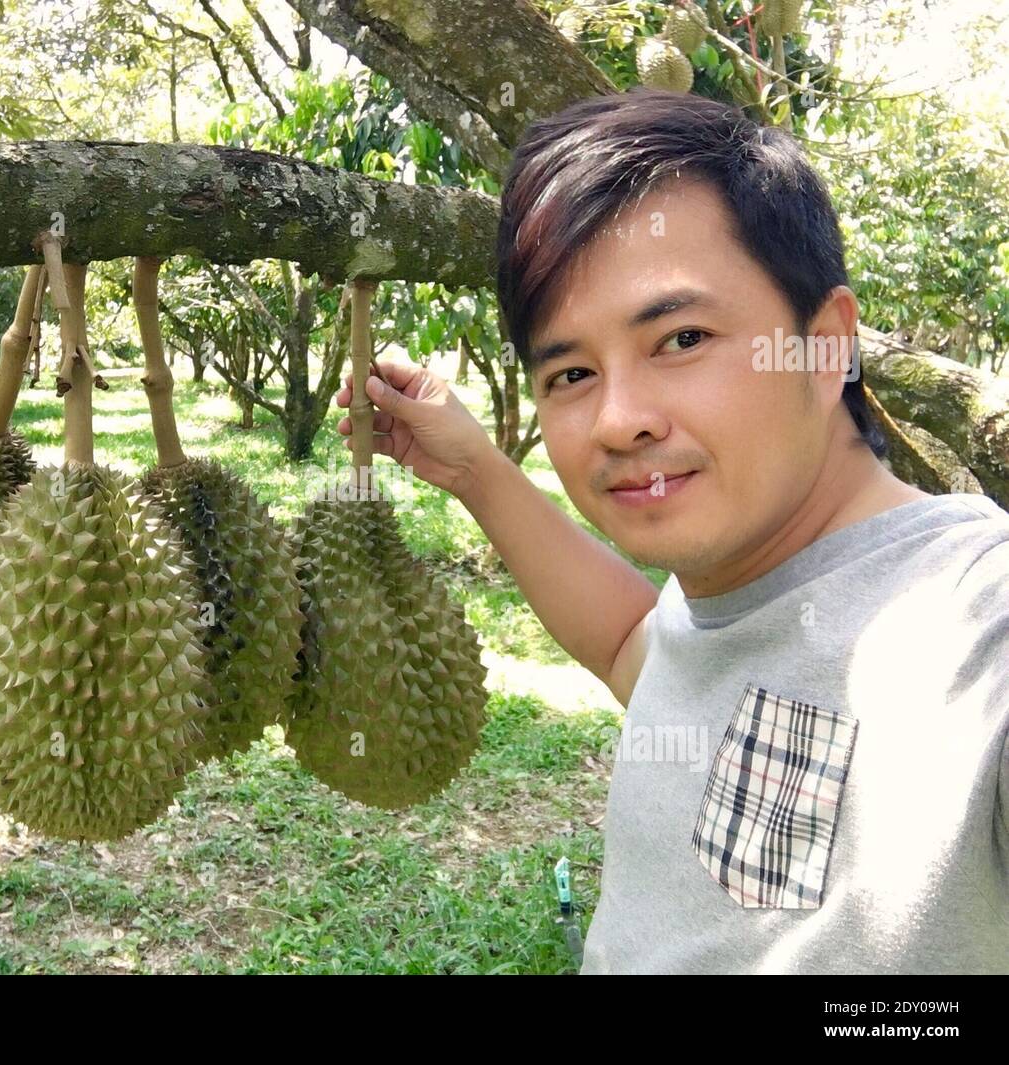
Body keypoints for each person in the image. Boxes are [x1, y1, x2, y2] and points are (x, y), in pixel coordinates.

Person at [333, 88, 1009, 975]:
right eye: (571, 371)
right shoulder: (729, 596)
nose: (617, 420)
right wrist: (473, 471)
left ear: (826, 343)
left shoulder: (974, 627)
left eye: (682, 338)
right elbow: (632, 646)